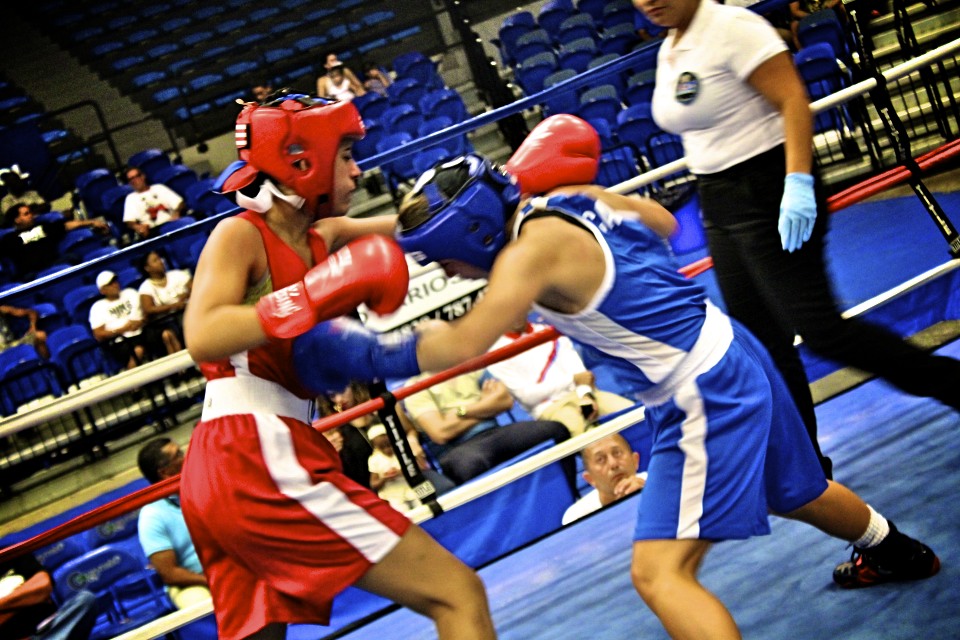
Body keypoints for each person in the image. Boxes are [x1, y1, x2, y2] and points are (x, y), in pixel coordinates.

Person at [292, 118, 940, 639]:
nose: (445, 269)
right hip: (729, 351)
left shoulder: (528, 255)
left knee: (659, 574)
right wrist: (354, 230)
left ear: (481, 234)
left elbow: (461, 341)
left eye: (445, 256)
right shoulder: (560, 202)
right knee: (796, 488)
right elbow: (658, 222)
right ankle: (896, 550)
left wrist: (356, 352)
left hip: (700, 393)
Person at [178, 94, 495, 640]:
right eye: (345, 153)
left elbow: (420, 229)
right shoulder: (241, 234)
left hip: (232, 462)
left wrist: (510, 202)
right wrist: (307, 296)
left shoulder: (327, 237)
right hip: (254, 451)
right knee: (457, 594)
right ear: (304, 160)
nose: (357, 168)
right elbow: (201, 335)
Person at [632, 0, 960, 480]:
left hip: (767, 187)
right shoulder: (671, 47)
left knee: (821, 329)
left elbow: (792, 101)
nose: (648, 1)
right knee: (764, 345)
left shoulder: (733, 27)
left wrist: (798, 184)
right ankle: (810, 472)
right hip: (719, 201)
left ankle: (952, 384)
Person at [400, 367, 573, 485]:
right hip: (457, 449)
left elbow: (505, 401)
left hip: (496, 432)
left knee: (555, 430)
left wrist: (461, 412)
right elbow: (440, 432)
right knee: (471, 466)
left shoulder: (469, 365)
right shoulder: (415, 386)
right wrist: (486, 406)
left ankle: (568, 495)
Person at [486, 319, 635, 435]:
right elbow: (527, 397)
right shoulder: (496, 353)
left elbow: (580, 373)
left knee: (633, 414)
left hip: (584, 394)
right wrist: (571, 380)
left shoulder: (548, 330)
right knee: (589, 436)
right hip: (550, 408)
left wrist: (586, 395)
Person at [136, 438, 210, 609]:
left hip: (229, 566)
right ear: (165, 472)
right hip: (192, 581)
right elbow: (169, 573)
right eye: (179, 455)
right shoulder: (152, 515)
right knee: (198, 603)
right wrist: (210, 581)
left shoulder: (205, 487)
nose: (186, 457)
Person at [0, 552, 97, 640]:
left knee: (86, 599)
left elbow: (44, 586)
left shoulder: (11, 552)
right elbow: (37, 594)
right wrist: (25, 597)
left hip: (51, 628)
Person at [0, 204, 110, 279]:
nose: (31, 215)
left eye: (30, 212)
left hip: (54, 263)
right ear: (17, 220)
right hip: (32, 274)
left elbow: (66, 225)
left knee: (73, 257)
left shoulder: (43, 226)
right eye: (26, 214)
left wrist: (92, 222)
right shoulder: (9, 238)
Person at [562, 431, 646, 525]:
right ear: (590, 479)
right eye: (600, 459)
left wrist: (648, 494)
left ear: (635, 460)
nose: (613, 464)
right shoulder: (577, 517)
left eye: (617, 453)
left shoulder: (658, 484)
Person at [89, 270, 152, 370]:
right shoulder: (98, 307)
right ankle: (133, 383)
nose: (115, 285)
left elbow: (147, 311)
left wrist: (141, 321)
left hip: (142, 331)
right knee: (138, 350)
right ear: (102, 290)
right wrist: (122, 329)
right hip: (119, 341)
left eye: (115, 281)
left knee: (166, 334)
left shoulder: (131, 293)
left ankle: (179, 376)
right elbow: (98, 334)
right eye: (110, 284)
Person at [137, 250, 191, 354]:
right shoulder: (145, 287)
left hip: (187, 312)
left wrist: (185, 296)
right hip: (165, 322)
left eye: (160, 258)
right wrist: (173, 306)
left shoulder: (177, 274)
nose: (161, 261)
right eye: (155, 260)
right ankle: (182, 369)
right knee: (167, 335)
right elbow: (148, 309)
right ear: (147, 268)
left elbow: (196, 287)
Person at [122, 166, 184, 239]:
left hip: (172, 223)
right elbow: (129, 221)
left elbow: (180, 203)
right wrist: (137, 227)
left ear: (143, 176)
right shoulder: (130, 198)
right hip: (152, 231)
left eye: (137, 176)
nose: (135, 180)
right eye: (131, 179)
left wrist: (177, 212)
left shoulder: (159, 188)